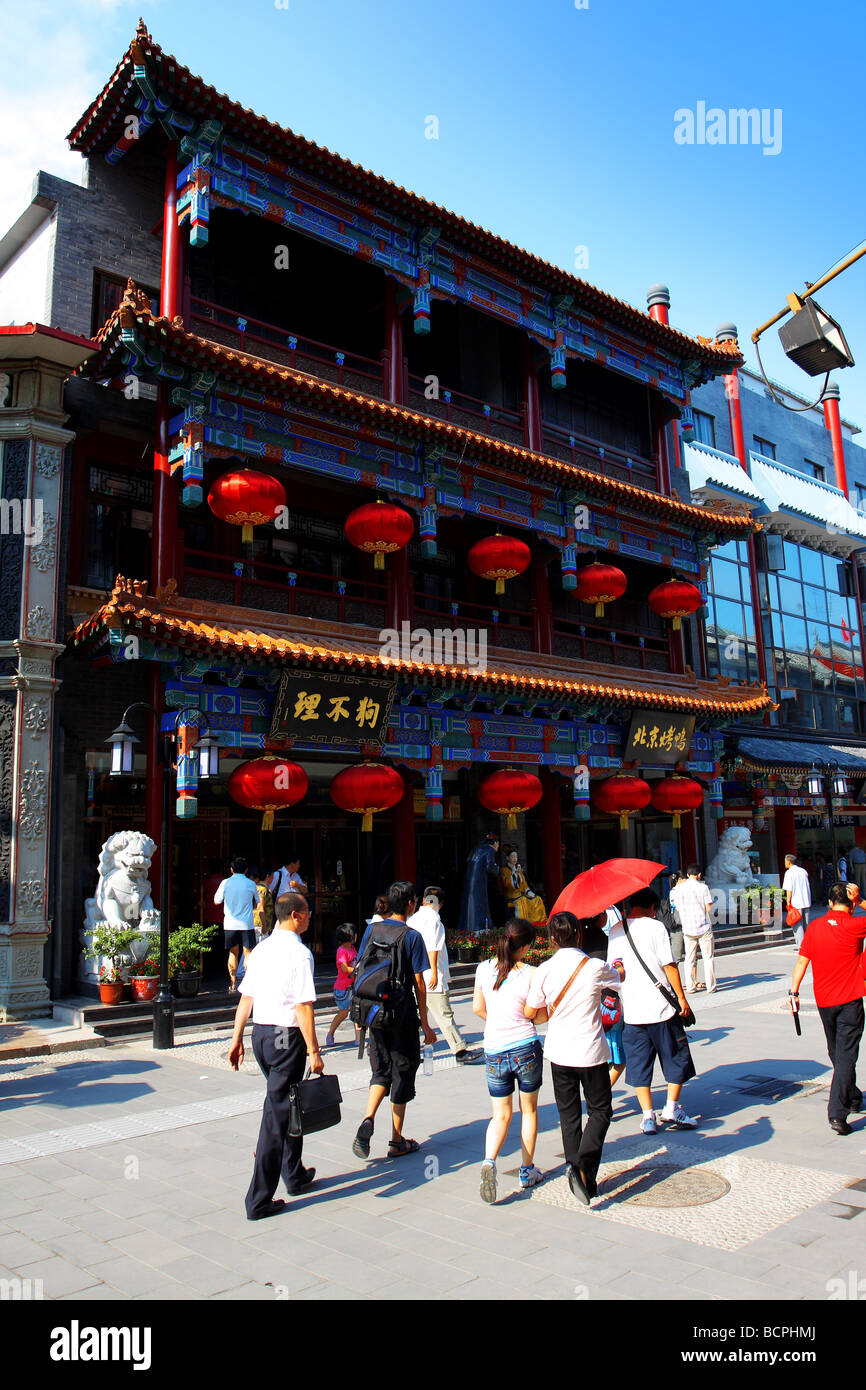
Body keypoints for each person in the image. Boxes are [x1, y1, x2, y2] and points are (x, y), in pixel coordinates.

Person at [228, 893, 323, 1220]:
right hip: (286, 1037)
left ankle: (294, 1173)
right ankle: (258, 1199)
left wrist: (237, 1037)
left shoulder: (262, 949)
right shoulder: (299, 953)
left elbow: (246, 996)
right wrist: (314, 1050)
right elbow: (303, 1006)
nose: (309, 918)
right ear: (295, 916)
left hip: (263, 1035)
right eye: (307, 913)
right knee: (276, 1113)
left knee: (287, 1103)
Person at [524, 911, 624, 1205]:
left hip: (559, 1051)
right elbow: (619, 979)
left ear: (552, 939)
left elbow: (533, 1011)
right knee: (601, 1111)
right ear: (578, 934)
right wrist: (617, 965)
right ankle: (583, 1168)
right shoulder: (594, 966)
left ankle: (575, 1169)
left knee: (569, 1115)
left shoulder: (543, 969)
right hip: (590, 1050)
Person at [351, 881, 437, 1161]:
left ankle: (367, 1118)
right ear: (411, 904)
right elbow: (419, 983)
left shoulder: (372, 929)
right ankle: (396, 1140)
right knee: (402, 1071)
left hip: (374, 1012)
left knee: (381, 1071)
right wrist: (425, 1022)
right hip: (401, 1015)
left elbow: (359, 966)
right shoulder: (411, 937)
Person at [608, 888, 697, 1134]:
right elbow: (669, 966)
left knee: (638, 1063)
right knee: (676, 1056)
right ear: (651, 907)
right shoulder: (656, 927)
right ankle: (671, 1107)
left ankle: (648, 1116)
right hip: (662, 1008)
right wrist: (682, 998)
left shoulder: (616, 930)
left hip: (634, 1010)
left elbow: (614, 970)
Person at [472, 918, 544, 1201]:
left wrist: (499, 1022)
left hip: (494, 1048)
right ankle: (527, 1170)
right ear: (525, 946)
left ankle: (489, 1161)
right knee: (529, 1111)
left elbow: (478, 1007)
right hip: (525, 1046)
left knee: (500, 1114)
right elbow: (534, 1013)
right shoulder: (531, 973)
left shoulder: (482, 968)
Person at [789, 882, 866, 1135]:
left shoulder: (815, 927)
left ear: (830, 904)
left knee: (837, 1053)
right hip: (850, 1000)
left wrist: (794, 991)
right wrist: (861, 899)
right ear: (850, 904)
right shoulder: (856, 924)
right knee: (845, 1055)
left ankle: (853, 1097)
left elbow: (802, 959)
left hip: (824, 1001)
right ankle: (837, 1112)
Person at [407, 885, 482, 1065]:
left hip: (414, 976)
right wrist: (433, 972)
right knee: (444, 1014)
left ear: (424, 900)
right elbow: (433, 947)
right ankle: (459, 1050)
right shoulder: (434, 920)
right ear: (440, 903)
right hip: (430, 976)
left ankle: (410, 1052)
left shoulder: (412, 920)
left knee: (414, 1016)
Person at [670, 863, 716, 994]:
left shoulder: (679, 890)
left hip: (688, 927)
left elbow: (677, 907)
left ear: (688, 875)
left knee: (689, 958)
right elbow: (708, 907)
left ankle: (690, 987)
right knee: (708, 957)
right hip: (704, 926)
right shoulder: (704, 888)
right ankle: (711, 986)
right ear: (699, 875)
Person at [214, 857, 259, 991]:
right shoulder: (250, 883)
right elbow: (257, 903)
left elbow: (216, 901)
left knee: (233, 953)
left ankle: (233, 983)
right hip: (247, 924)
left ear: (231, 870)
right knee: (248, 953)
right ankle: (248, 982)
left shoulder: (225, 883)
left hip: (230, 924)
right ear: (246, 870)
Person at [458, 832, 500, 935]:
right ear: (495, 843)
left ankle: (466, 927)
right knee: (479, 903)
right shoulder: (489, 850)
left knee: (470, 903)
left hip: (469, 880)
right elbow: (490, 867)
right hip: (478, 881)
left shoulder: (477, 848)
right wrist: (498, 870)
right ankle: (479, 927)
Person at [325, 923, 359, 1049]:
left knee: (357, 1012)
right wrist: (357, 970)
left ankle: (358, 1038)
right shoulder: (341, 951)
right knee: (343, 1013)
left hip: (353, 986)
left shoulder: (353, 949)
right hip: (343, 988)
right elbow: (344, 968)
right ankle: (330, 1033)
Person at [498, 844, 547, 923]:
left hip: (522, 894)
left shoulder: (518, 870)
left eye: (516, 857)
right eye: (512, 857)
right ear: (507, 858)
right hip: (511, 896)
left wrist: (531, 894)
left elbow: (524, 886)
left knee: (538, 899)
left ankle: (539, 923)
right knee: (522, 901)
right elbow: (509, 886)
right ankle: (523, 925)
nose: (515, 859)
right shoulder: (504, 871)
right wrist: (514, 875)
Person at [782, 853, 812, 946]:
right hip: (806, 901)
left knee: (797, 926)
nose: (785, 863)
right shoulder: (803, 871)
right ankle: (808, 945)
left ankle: (801, 946)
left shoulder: (789, 873)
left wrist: (788, 901)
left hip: (796, 902)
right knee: (806, 924)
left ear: (789, 862)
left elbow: (789, 889)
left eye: (785, 862)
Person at [252, 866, 275, 941]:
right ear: (267, 876)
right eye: (272, 876)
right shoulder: (262, 889)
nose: (273, 879)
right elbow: (260, 907)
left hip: (259, 925)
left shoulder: (260, 888)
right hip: (259, 925)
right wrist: (264, 925)